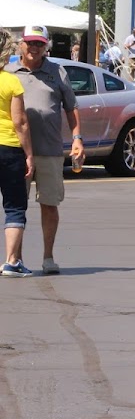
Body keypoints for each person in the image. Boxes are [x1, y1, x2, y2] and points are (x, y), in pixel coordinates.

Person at [7, 25, 83, 276]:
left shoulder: (57, 71)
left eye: (39, 43)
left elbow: (71, 107)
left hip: (50, 150)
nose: (34, 48)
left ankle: (48, 257)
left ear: (46, 46)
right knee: (17, 205)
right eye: (30, 43)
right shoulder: (8, 71)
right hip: (18, 150)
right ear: (21, 44)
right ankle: (14, 258)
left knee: (49, 204)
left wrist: (77, 138)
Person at [0, 31, 35, 278]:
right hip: (9, 148)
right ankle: (12, 261)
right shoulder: (12, 82)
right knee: (14, 205)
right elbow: (20, 121)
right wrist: (29, 154)